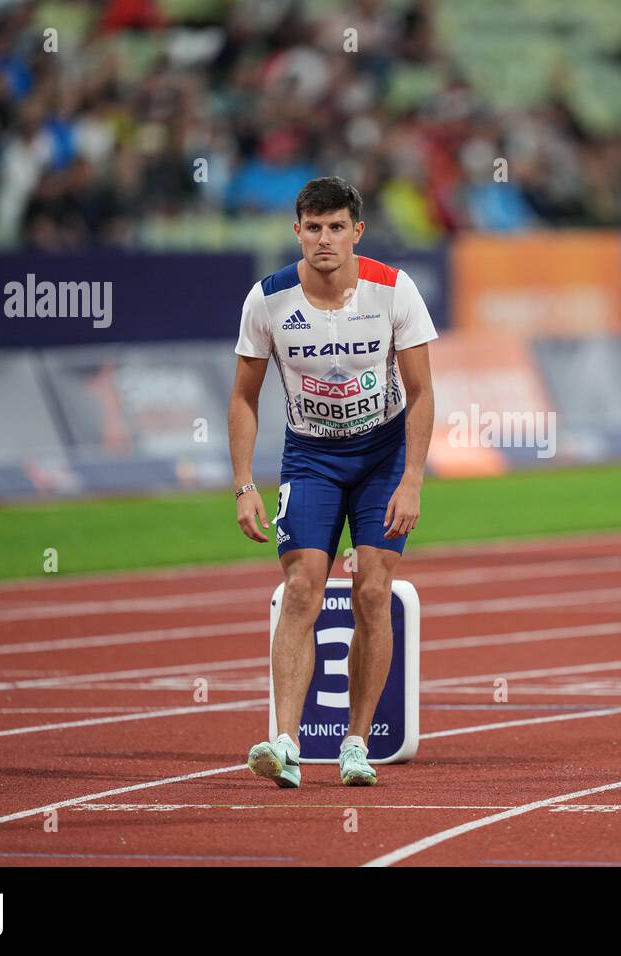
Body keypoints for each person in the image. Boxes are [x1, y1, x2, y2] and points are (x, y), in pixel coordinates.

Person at [227, 176, 436, 786]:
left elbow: (422, 392)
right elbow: (243, 397)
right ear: (297, 232)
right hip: (310, 458)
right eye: (313, 227)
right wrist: (243, 483)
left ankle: (355, 744)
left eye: (336, 227)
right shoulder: (266, 301)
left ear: (356, 232)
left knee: (373, 589)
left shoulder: (394, 290)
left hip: (382, 455)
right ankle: (285, 743)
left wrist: (414, 479)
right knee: (301, 586)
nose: (324, 239)